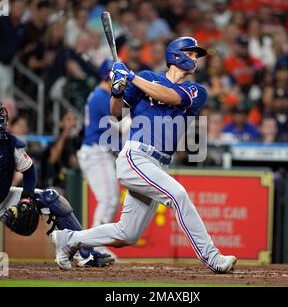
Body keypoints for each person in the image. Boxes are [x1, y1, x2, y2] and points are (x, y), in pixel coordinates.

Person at [51, 37, 237, 274]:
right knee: (178, 195)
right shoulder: (148, 77)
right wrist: (117, 91)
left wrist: (130, 77)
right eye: (190, 53)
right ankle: (212, 257)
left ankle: (69, 239)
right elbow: (115, 114)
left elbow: (169, 96)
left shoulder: (196, 90)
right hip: (136, 157)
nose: (194, 59)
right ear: (175, 55)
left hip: (159, 165)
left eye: (195, 55)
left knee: (127, 233)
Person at [0, 98, 113, 268]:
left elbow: (29, 170)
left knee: (51, 198)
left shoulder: (8, 142)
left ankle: (86, 252)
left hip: (4, 197)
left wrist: (26, 197)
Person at [78, 59, 120, 228]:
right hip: (96, 152)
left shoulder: (102, 95)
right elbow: (123, 125)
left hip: (99, 152)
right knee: (108, 200)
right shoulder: (102, 97)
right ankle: (93, 246)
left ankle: (95, 244)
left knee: (111, 200)